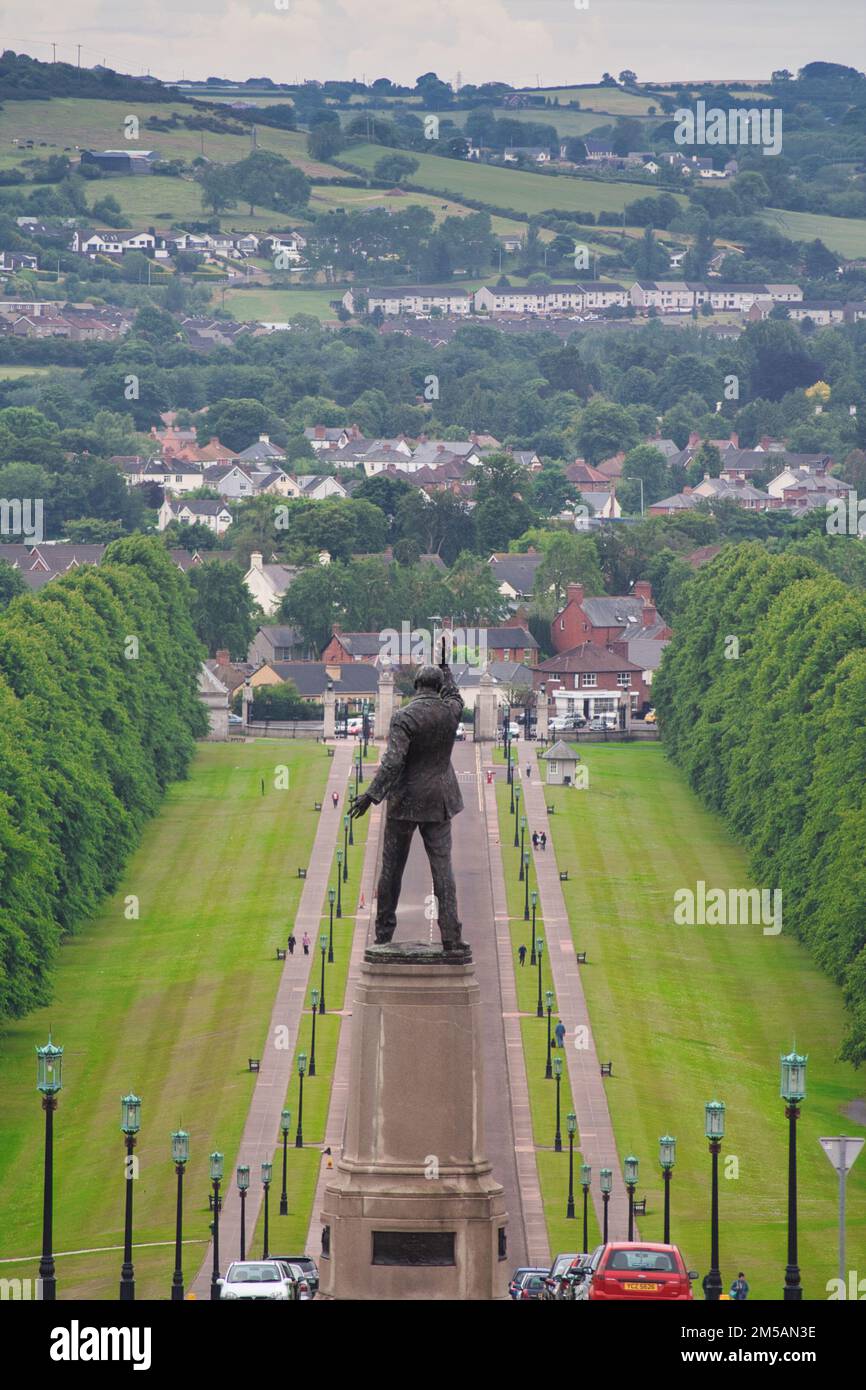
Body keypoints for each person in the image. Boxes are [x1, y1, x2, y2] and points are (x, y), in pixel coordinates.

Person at [351, 657, 465, 951]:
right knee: (443, 871)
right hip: (440, 800)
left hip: (405, 800)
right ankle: (451, 936)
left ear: (416, 686)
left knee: (392, 870)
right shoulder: (451, 712)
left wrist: (371, 795)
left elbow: (393, 762)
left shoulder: (404, 717)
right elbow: (455, 696)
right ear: (438, 686)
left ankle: (383, 935)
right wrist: (447, 671)